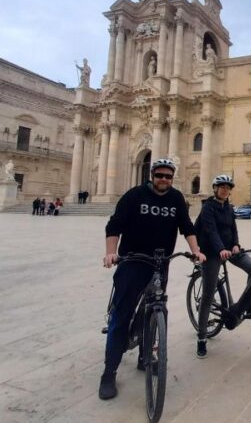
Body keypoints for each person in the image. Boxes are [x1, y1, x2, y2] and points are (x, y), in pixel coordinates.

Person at [99, 158, 206, 400]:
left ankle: (145, 357)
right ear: (152, 176)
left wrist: (196, 251)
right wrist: (110, 253)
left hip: (160, 264)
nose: (164, 180)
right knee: (121, 316)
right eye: (160, 175)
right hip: (133, 261)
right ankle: (109, 373)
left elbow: (187, 227)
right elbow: (114, 226)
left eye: (168, 176)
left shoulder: (176, 198)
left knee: (154, 310)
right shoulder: (134, 196)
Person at [194, 174, 251, 359]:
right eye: (222, 187)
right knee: (208, 296)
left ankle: (249, 303)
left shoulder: (229, 208)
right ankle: (201, 337)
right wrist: (220, 249)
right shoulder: (208, 207)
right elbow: (211, 231)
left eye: (228, 187)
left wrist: (236, 244)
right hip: (211, 251)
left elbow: (233, 229)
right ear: (215, 189)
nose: (225, 190)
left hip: (229, 249)